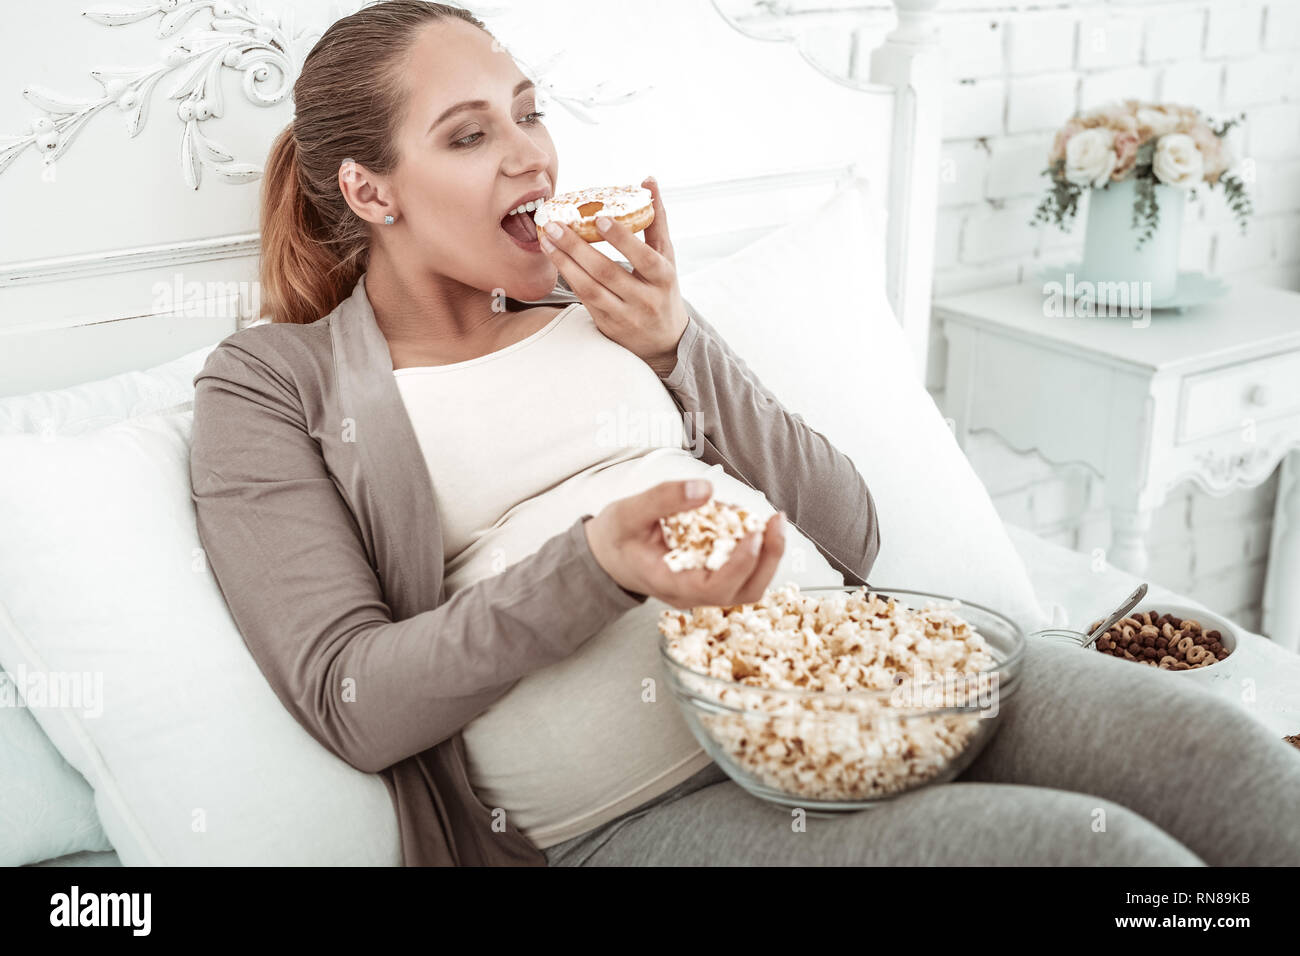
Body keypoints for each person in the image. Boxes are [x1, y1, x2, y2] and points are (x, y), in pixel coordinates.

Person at [190, 0, 1300, 867]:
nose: (531, 156)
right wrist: (597, 567)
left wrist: (679, 343)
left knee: (1230, 765)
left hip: (870, 667)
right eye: (469, 135)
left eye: (530, 112)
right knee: (1088, 858)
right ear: (368, 190)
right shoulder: (271, 385)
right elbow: (354, 697)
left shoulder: (603, 293)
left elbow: (852, 529)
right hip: (645, 808)